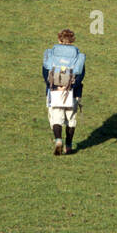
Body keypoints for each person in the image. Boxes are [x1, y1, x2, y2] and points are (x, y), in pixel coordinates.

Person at [43, 28, 85, 156]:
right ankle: (68, 145)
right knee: (70, 119)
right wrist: (70, 87)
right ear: (73, 40)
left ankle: (58, 140)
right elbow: (81, 75)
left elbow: (45, 73)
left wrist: (55, 87)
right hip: (72, 92)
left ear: (59, 39)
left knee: (56, 117)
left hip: (54, 91)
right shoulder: (79, 56)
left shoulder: (50, 54)